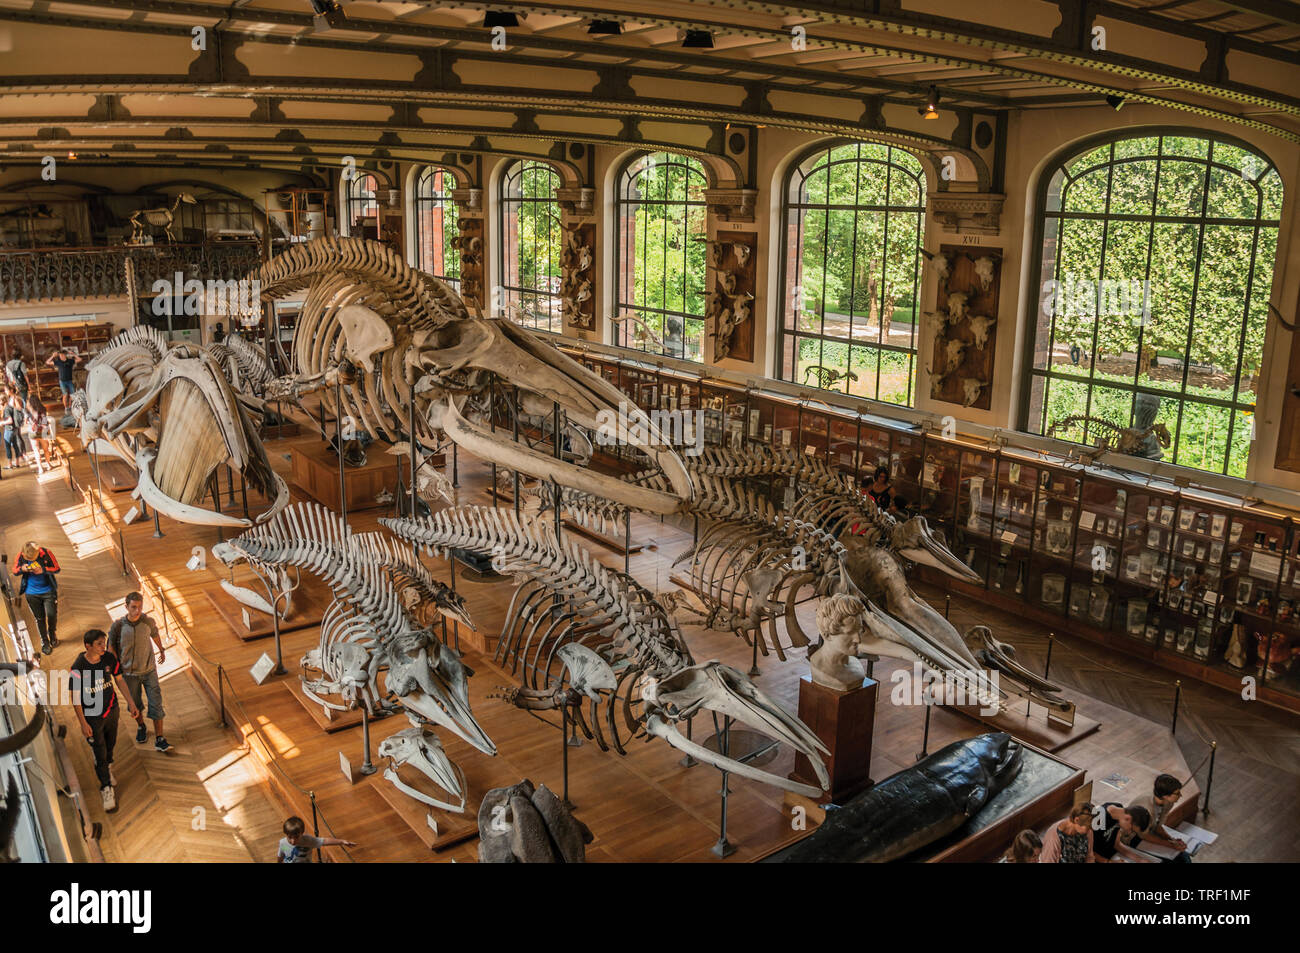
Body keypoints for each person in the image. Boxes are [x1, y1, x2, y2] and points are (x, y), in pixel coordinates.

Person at [70, 628, 140, 813]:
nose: (104, 646)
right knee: (100, 751)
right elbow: (75, 698)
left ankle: (107, 764)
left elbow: (120, 681)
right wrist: (83, 723)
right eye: (99, 644)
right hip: (93, 717)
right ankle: (106, 787)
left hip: (112, 710)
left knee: (111, 743)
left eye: (104, 642)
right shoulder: (78, 668)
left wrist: (131, 703)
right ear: (88, 646)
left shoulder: (109, 658)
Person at [107, 591, 170, 752]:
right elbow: (111, 647)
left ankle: (160, 738)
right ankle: (141, 726)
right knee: (135, 704)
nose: (137, 611)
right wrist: (115, 668)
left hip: (149, 671)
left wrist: (161, 649)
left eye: (140, 607)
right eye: (134, 607)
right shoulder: (118, 626)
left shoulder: (148, 621)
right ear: (126, 607)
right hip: (129, 675)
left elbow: (155, 635)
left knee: (156, 703)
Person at [1130, 773, 1192, 862]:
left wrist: (1172, 840)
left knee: (1183, 856)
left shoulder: (1168, 802)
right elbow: (1143, 835)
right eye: (1177, 793)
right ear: (1165, 796)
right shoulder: (1145, 809)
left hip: (1149, 830)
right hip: (1133, 837)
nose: (1180, 795)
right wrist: (1170, 845)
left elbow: (1158, 826)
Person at [13, 541, 60, 655]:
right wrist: (22, 569)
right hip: (31, 593)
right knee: (39, 618)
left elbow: (56, 568)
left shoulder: (46, 552)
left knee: (52, 614)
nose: (29, 559)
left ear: (38, 552)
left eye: (32, 558)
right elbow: (14, 570)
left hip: (48, 591)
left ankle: (52, 633)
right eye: (27, 557)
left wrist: (43, 570)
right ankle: (45, 642)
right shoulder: (21, 555)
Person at [277, 816, 356, 863]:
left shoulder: (308, 840)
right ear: (285, 833)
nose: (293, 841)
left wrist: (341, 841)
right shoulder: (283, 843)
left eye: (296, 837)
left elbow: (324, 841)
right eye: (290, 837)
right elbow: (281, 855)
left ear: (302, 833)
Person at [45, 347, 82, 415]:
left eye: (62, 355)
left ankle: (71, 407)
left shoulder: (70, 361)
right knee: (65, 395)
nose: (61, 356)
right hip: (62, 381)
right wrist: (53, 356)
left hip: (69, 380)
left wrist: (73, 354)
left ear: (65, 355)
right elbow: (47, 362)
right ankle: (66, 408)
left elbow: (79, 359)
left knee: (72, 395)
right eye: (60, 355)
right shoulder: (58, 362)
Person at [24, 394, 54, 473]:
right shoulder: (42, 409)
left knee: (36, 450)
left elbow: (26, 421)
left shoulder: (27, 410)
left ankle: (40, 468)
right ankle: (48, 464)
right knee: (45, 449)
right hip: (42, 431)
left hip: (32, 432)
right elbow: (44, 421)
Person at [2, 388, 27, 468]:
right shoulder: (11, 406)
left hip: (9, 429)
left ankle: (9, 464)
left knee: (8, 446)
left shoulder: (6, 409)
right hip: (15, 428)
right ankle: (17, 463)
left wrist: (2, 423)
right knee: (16, 446)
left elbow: (10, 420)